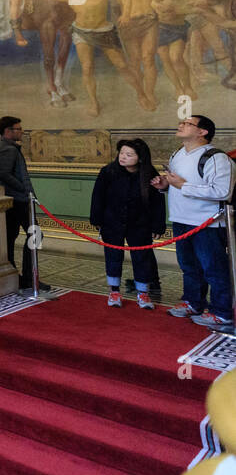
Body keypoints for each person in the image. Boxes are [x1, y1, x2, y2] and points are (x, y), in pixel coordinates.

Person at [154, 114, 234, 330]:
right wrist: (164, 185)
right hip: (181, 219)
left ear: (202, 132)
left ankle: (222, 313)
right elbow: (177, 185)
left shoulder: (216, 157)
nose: (181, 125)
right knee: (189, 267)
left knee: (214, 269)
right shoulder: (177, 154)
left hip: (206, 223)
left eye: (188, 123)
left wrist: (182, 185)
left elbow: (222, 191)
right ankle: (193, 303)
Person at [90, 139, 166, 309]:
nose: (123, 157)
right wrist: (96, 220)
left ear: (140, 158)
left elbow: (157, 201)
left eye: (129, 154)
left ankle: (143, 293)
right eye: (122, 153)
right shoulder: (108, 171)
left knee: (142, 258)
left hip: (140, 223)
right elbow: (98, 197)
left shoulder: (149, 174)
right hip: (112, 222)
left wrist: (158, 225)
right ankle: (114, 291)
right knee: (113, 256)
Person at [0, 116, 49, 291]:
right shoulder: (7, 149)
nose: (21, 131)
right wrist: (26, 192)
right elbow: (4, 174)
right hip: (17, 201)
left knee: (14, 237)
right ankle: (27, 277)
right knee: (35, 235)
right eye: (18, 129)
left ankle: (21, 276)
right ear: (8, 131)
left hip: (17, 199)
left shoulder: (9, 148)